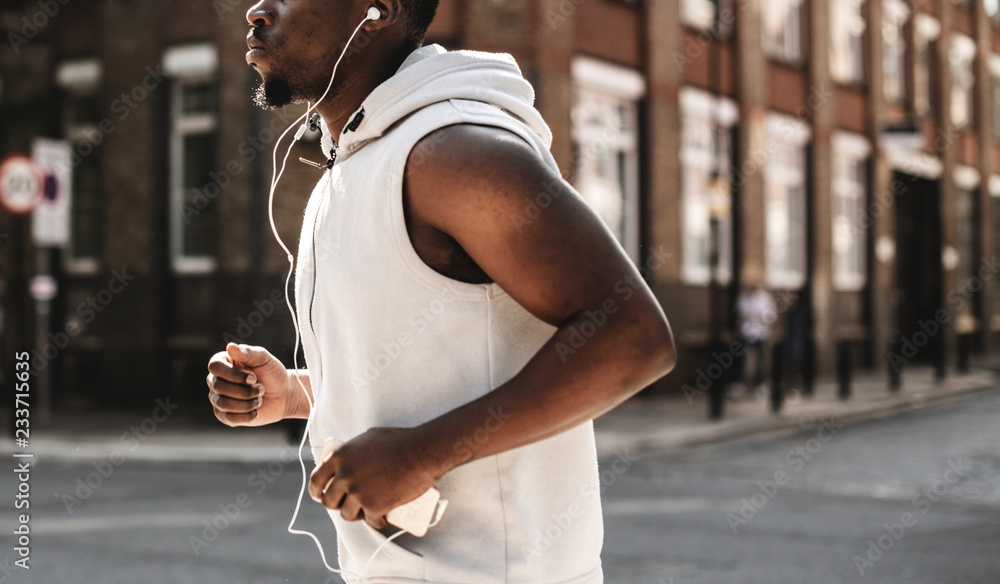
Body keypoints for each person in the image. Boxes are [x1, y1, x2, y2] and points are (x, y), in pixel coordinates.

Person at [205, 0, 675, 582]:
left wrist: (422, 454)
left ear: (378, 11)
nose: (256, 9)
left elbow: (634, 337)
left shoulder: (451, 152)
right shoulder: (351, 165)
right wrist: (298, 394)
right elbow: (432, 362)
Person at [734, 276, 775, 399]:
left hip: (761, 332)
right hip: (746, 332)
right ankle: (739, 384)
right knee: (740, 358)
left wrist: (761, 316)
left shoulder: (765, 298)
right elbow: (740, 312)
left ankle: (760, 384)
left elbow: (771, 315)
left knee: (761, 359)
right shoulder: (743, 298)